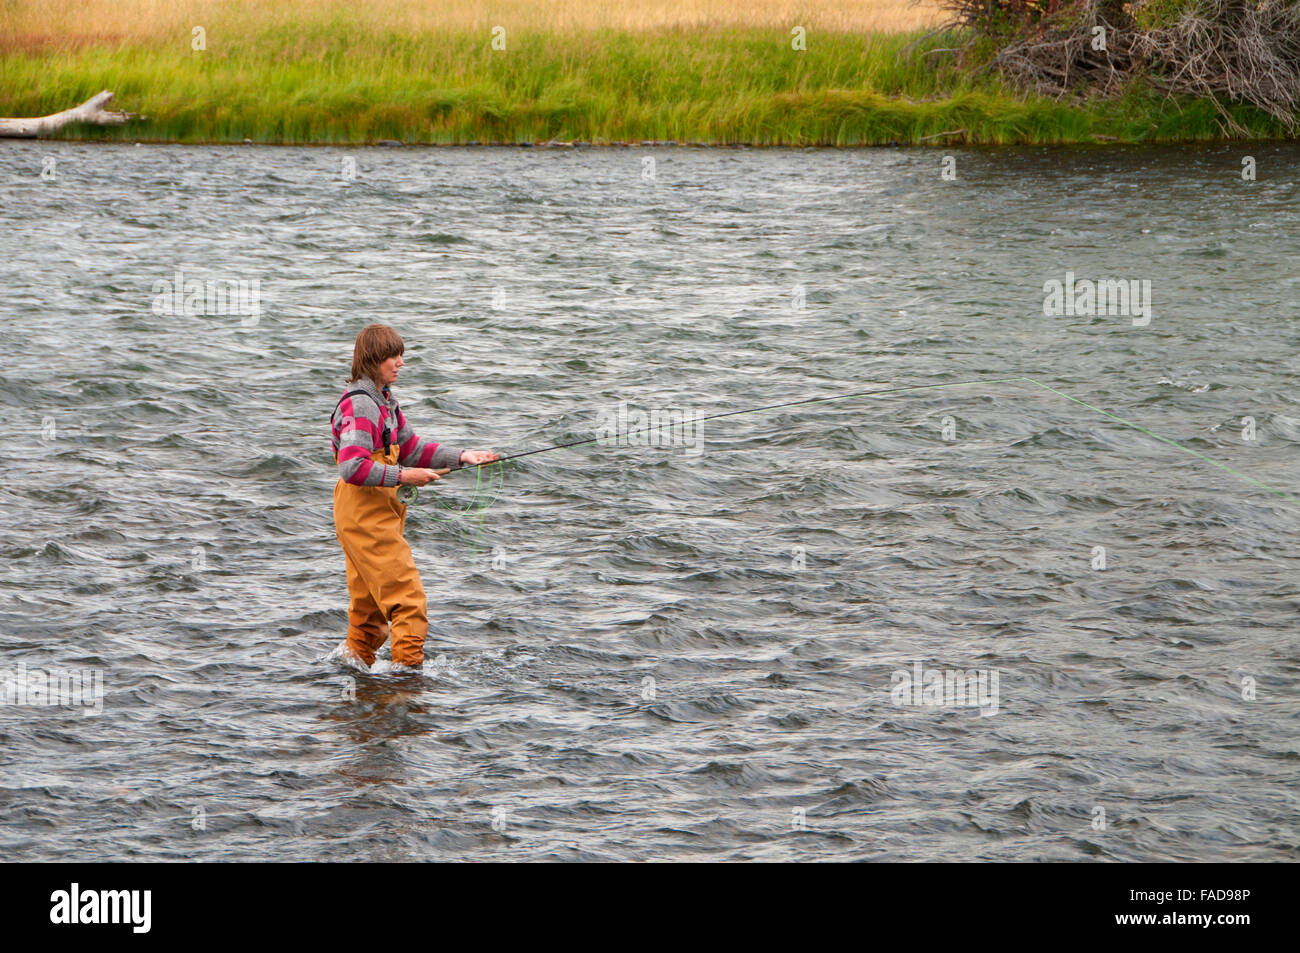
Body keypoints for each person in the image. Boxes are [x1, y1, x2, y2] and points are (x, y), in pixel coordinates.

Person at [329, 324, 498, 670]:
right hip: (363, 515)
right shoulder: (362, 406)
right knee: (408, 602)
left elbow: (412, 448)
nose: (400, 362)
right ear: (373, 359)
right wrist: (405, 476)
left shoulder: (385, 401)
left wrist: (464, 456)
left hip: (371, 513)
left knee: (369, 608)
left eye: (401, 355)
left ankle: (355, 676)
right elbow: (352, 467)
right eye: (393, 356)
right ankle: (408, 682)